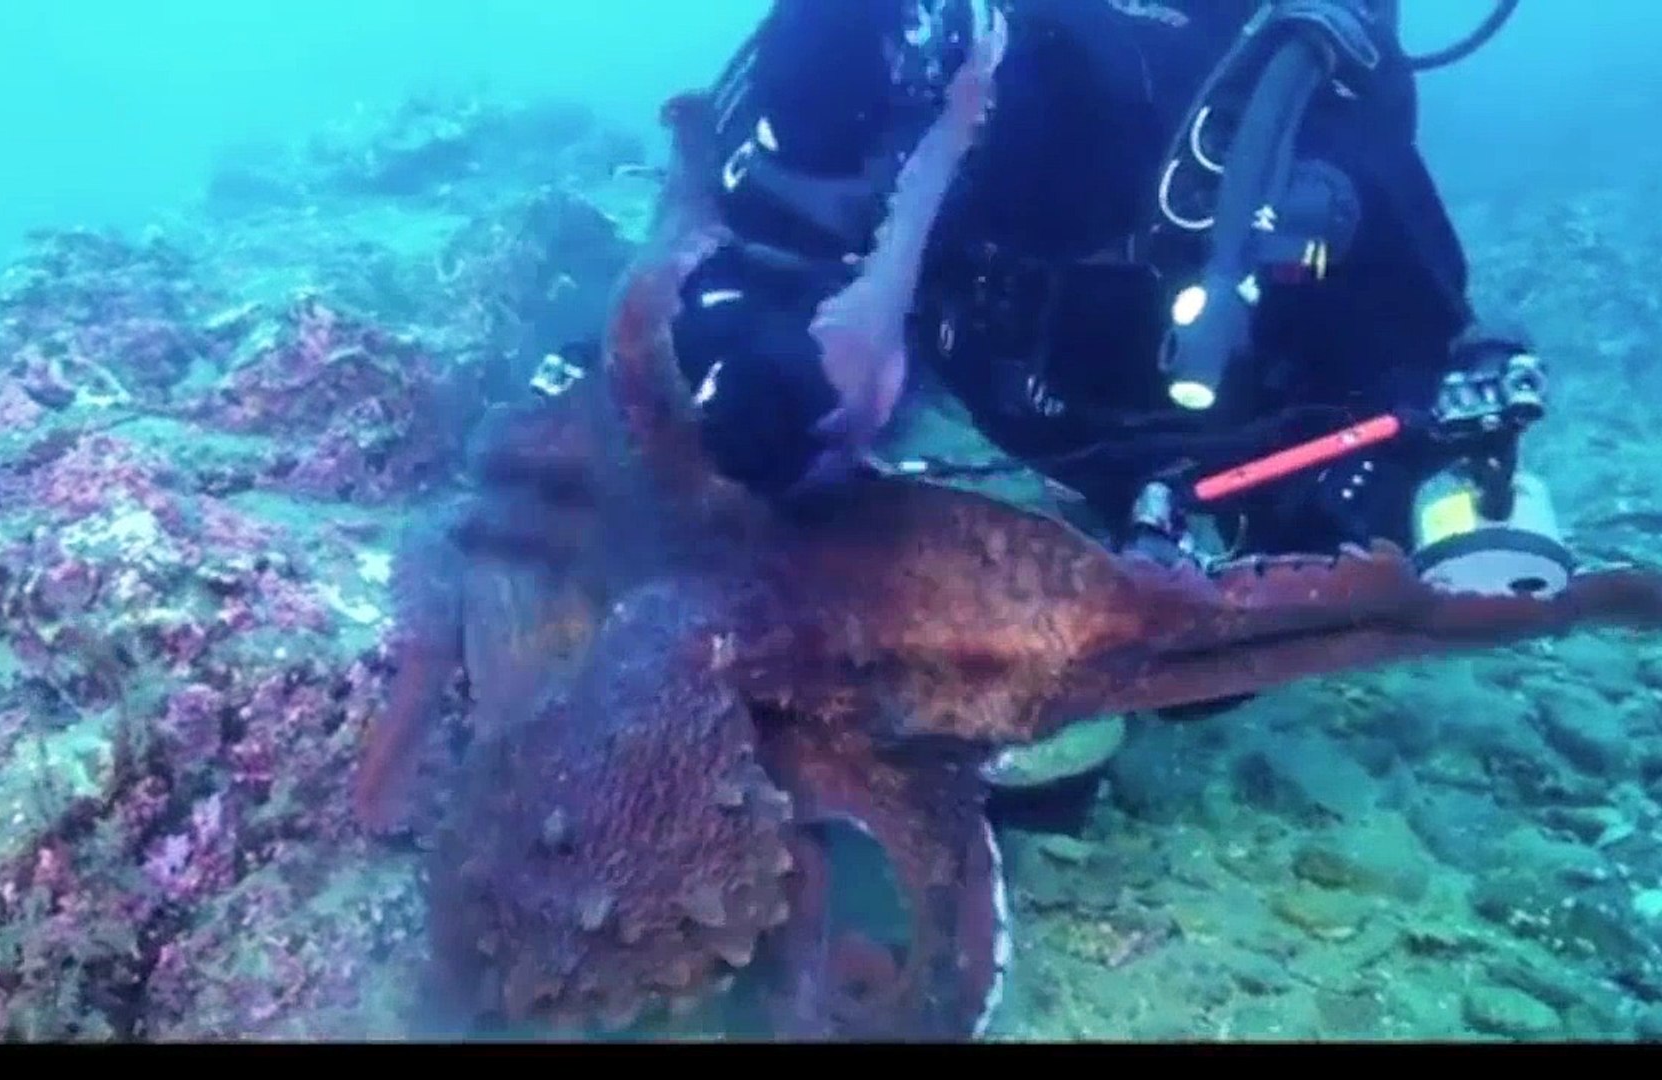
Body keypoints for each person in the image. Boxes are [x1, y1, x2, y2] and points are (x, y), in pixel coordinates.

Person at [651, 0, 1564, 805]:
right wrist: (750, 366)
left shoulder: (1189, 121)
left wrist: (1291, 539)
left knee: (1323, 546)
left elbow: (1418, 364)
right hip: (1030, 385)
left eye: (874, 180)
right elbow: (739, 255)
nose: (849, 217)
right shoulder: (811, 80)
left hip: (1218, 419)